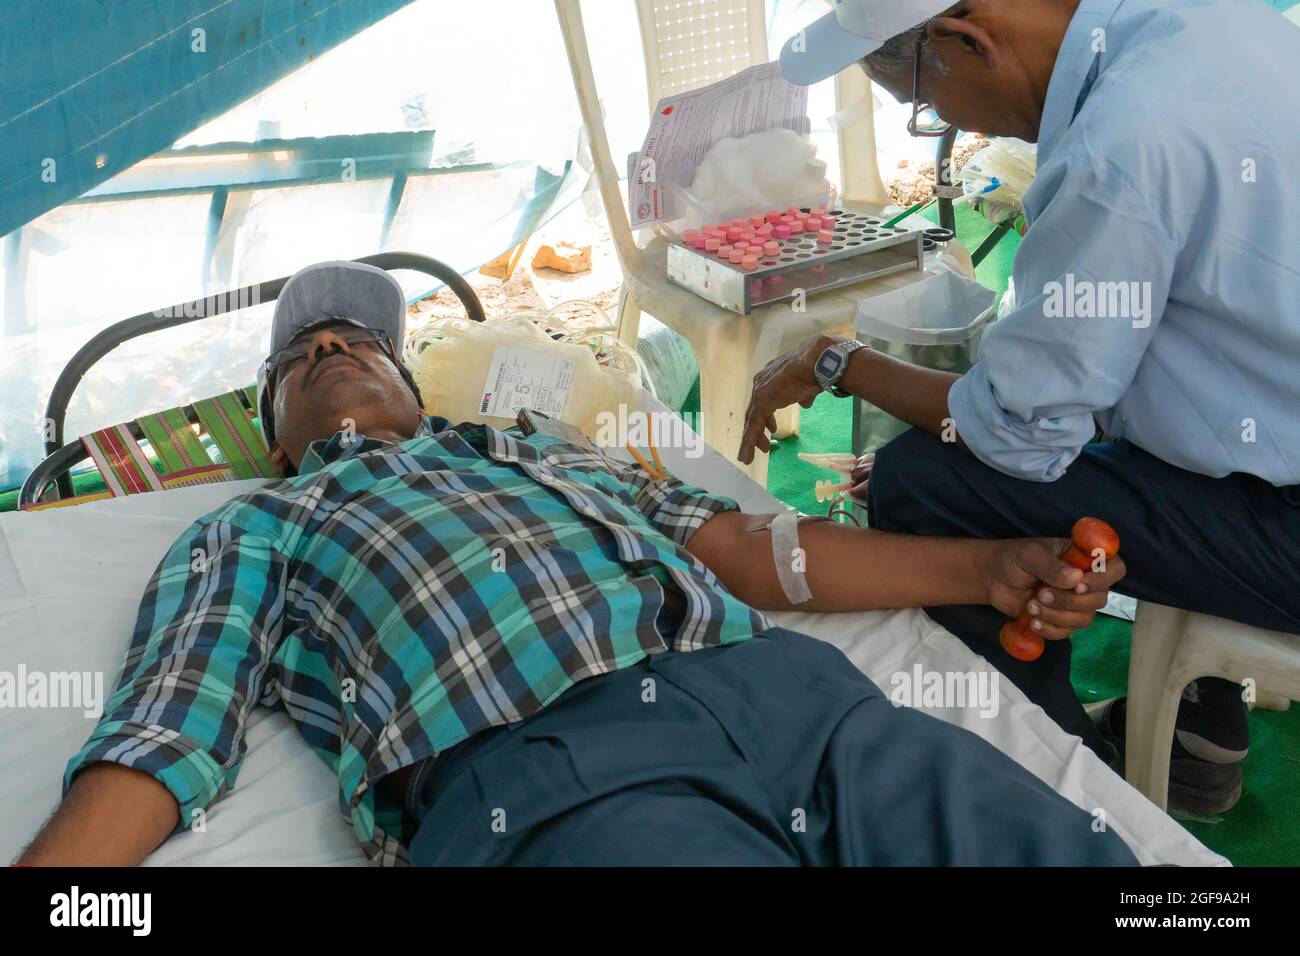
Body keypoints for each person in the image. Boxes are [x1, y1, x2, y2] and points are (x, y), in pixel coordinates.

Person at [18, 260, 1134, 866]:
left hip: (800, 705)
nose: (336, 353)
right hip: (553, 770)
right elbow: (169, 728)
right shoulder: (253, 526)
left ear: (415, 388)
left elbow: (754, 550)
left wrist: (985, 566)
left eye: (359, 342)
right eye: (305, 360)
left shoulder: (541, 449)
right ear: (274, 436)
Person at [744, 0, 1300, 815]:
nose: (945, 126)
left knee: (927, 479)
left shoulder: (1123, 145)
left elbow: (1014, 438)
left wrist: (836, 360)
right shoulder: (1204, 19)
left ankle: (1046, 771)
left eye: (926, 106)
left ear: (968, 41)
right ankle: (1197, 732)